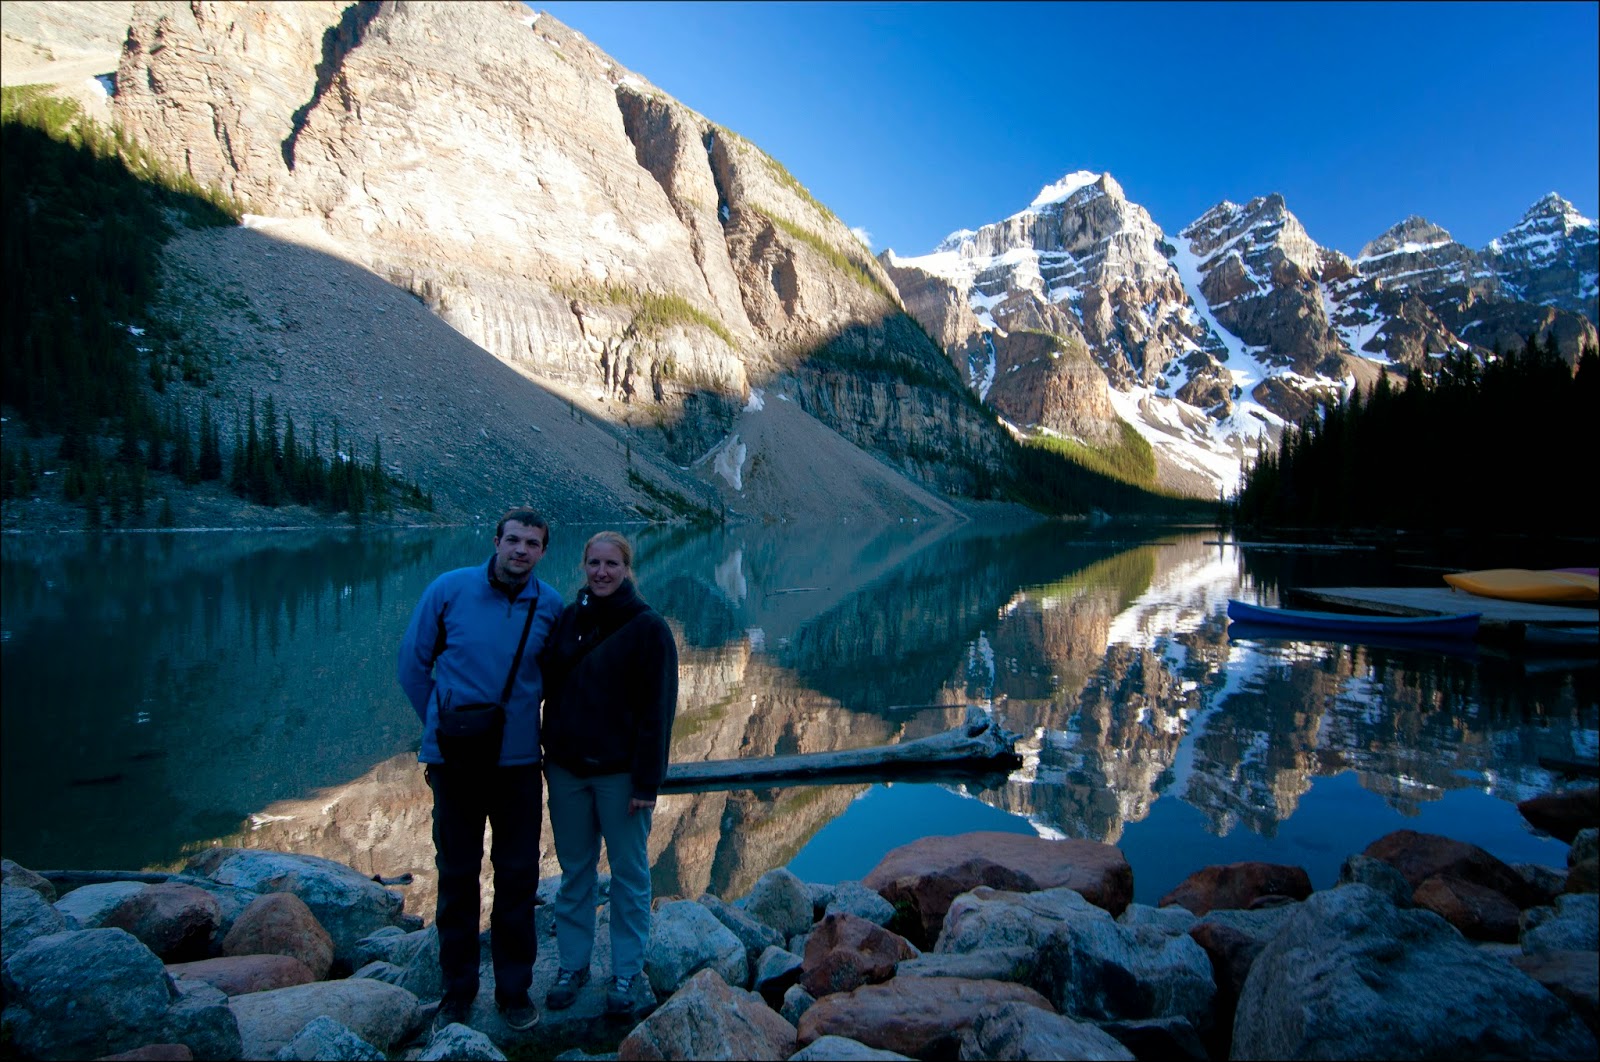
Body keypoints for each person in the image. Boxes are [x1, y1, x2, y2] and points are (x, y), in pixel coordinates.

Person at [397, 509, 564, 1033]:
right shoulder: (448, 590)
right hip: (455, 763)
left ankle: (514, 990)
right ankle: (458, 991)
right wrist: (444, 724)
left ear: (542, 552)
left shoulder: (551, 606)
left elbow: (560, 681)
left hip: (517, 765)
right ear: (495, 542)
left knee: (518, 877)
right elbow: (412, 665)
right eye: (512, 540)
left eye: (531, 543)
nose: (520, 550)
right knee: (457, 875)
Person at [538, 530, 680, 1015]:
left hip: (621, 777)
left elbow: (657, 712)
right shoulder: (567, 620)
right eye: (594, 563)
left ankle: (625, 972)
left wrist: (648, 782)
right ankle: (572, 966)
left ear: (627, 569)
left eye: (611, 565)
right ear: (584, 565)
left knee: (629, 873)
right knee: (575, 871)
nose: (601, 572)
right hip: (566, 771)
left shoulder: (649, 628)